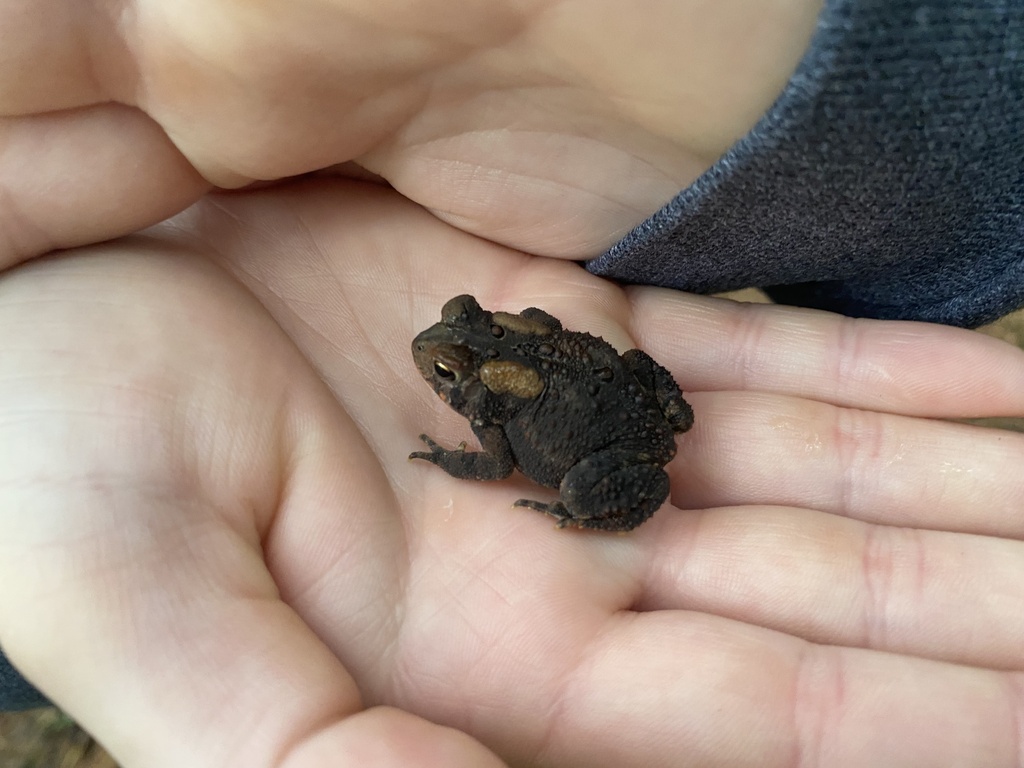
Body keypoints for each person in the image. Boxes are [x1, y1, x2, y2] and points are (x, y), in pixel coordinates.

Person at [0, 1, 1021, 766]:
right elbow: (548, 338)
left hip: (610, 444)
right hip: (616, 382)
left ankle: (591, 509)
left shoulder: (491, 405)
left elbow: (494, 461)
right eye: (450, 358)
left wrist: (471, 461)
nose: (440, 364)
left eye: (448, 363)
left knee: (580, 489)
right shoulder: (510, 347)